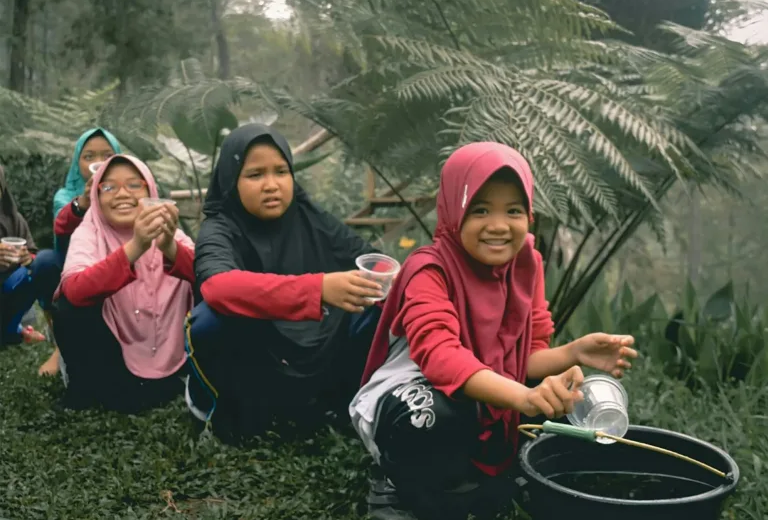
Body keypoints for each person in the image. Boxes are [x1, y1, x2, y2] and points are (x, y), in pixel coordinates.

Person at [350, 142, 638, 520]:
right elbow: (440, 357)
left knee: (576, 407)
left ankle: (481, 474)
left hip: (490, 387)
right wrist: (524, 398)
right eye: (480, 210)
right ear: (455, 211)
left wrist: (573, 352)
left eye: (513, 210)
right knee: (434, 415)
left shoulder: (526, 262)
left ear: (528, 214)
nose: (499, 226)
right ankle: (394, 484)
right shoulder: (429, 269)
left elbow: (526, 359)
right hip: (417, 386)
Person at [185, 124, 386, 443]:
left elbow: (369, 259)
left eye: (281, 171)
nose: (271, 185)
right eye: (255, 175)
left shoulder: (309, 216)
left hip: (319, 339)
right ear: (231, 179)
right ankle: (223, 408)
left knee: (378, 304)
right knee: (208, 321)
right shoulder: (219, 229)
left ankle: (339, 401)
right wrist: (318, 289)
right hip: (260, 349)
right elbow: (218, 287)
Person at [51, 154, 195, 414]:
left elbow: (208, 275)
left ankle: (165, 378)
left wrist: (169, 248)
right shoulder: (89, 232)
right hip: (110, 353)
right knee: (68, 307)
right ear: (96, 195)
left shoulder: (168, 231)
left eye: (134, 185)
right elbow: (74, 290)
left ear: (150, 191)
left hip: (170, 350)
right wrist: (136, 247)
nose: (122, 194)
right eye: (108, 187)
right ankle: (90, 387)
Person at [41, 128, 121, 376]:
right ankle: (59, 344)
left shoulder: (126, 193)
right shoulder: (65, 196)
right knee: (44, 262)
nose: (99, 162)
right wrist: (84, 202)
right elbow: (62, 227)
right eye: (89, 156)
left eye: (108, 155)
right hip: (72, 267)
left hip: (113, 266)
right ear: (78, 163)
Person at [0, 165, 60, 348]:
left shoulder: (13, 219)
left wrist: (27, 258)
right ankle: (16, 331)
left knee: (44, 264)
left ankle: (12, 329)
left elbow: (34, 254)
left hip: (8, 287)